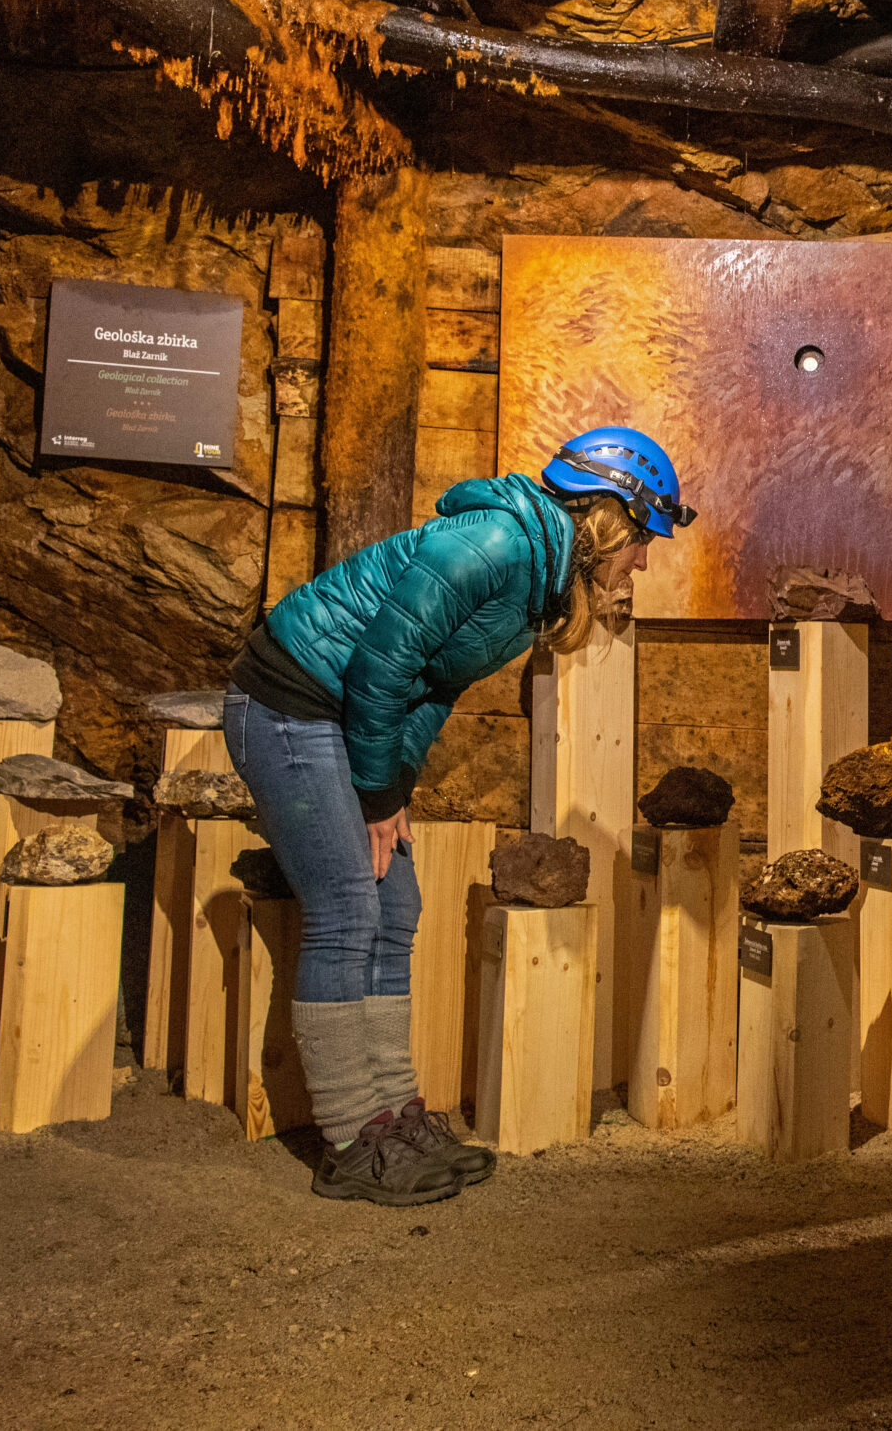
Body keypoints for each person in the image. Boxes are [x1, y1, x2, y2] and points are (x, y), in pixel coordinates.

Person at [223, 426, 693, 1204]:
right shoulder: (496, 541)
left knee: (395, 902)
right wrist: (375, 799)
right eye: (642, 538)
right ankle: (350, 1137)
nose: (641, 558)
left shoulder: (540, 578)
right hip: (286, 703)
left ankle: (393, 1114)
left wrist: (392, 787)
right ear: (607, 516)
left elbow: (431, 689)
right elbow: (382, 665)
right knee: (345, 904)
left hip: (342, 717)